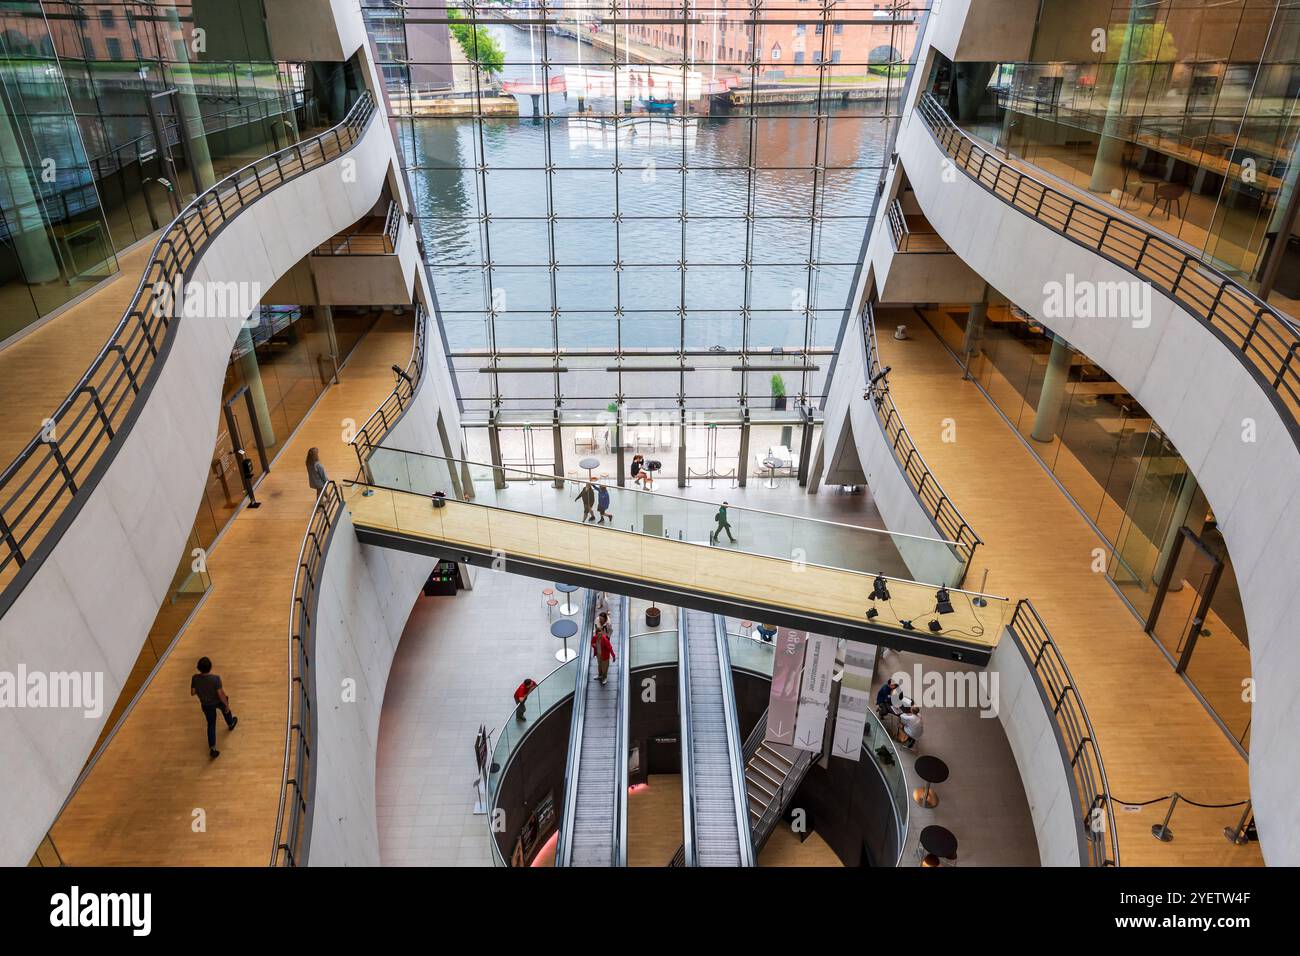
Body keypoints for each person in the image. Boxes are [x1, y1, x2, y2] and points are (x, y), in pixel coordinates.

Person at [190, 657, 237, 759]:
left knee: (211, 724)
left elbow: (193, 692)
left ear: (198, 668)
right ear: (210, 667)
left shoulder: (195, 678)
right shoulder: (215, 679)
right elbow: (220, 694)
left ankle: (213, 749)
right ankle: (231, 724)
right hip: (217, 701)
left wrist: (201, 690)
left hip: (206, 705)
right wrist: (226, 705)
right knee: (226, 709)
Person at [591, 613, 616, 684]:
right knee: (599, 664)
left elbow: (610, 648)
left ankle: (605, 677)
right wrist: (594, 646)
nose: (600, 620)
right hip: (599, 653)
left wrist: (613, 656)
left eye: (600, 634)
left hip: (605, 655)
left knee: (605, 666)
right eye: (598, 634)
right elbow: (592, 642)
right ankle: (600, 675)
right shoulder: (595, 637)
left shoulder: (605, 639)